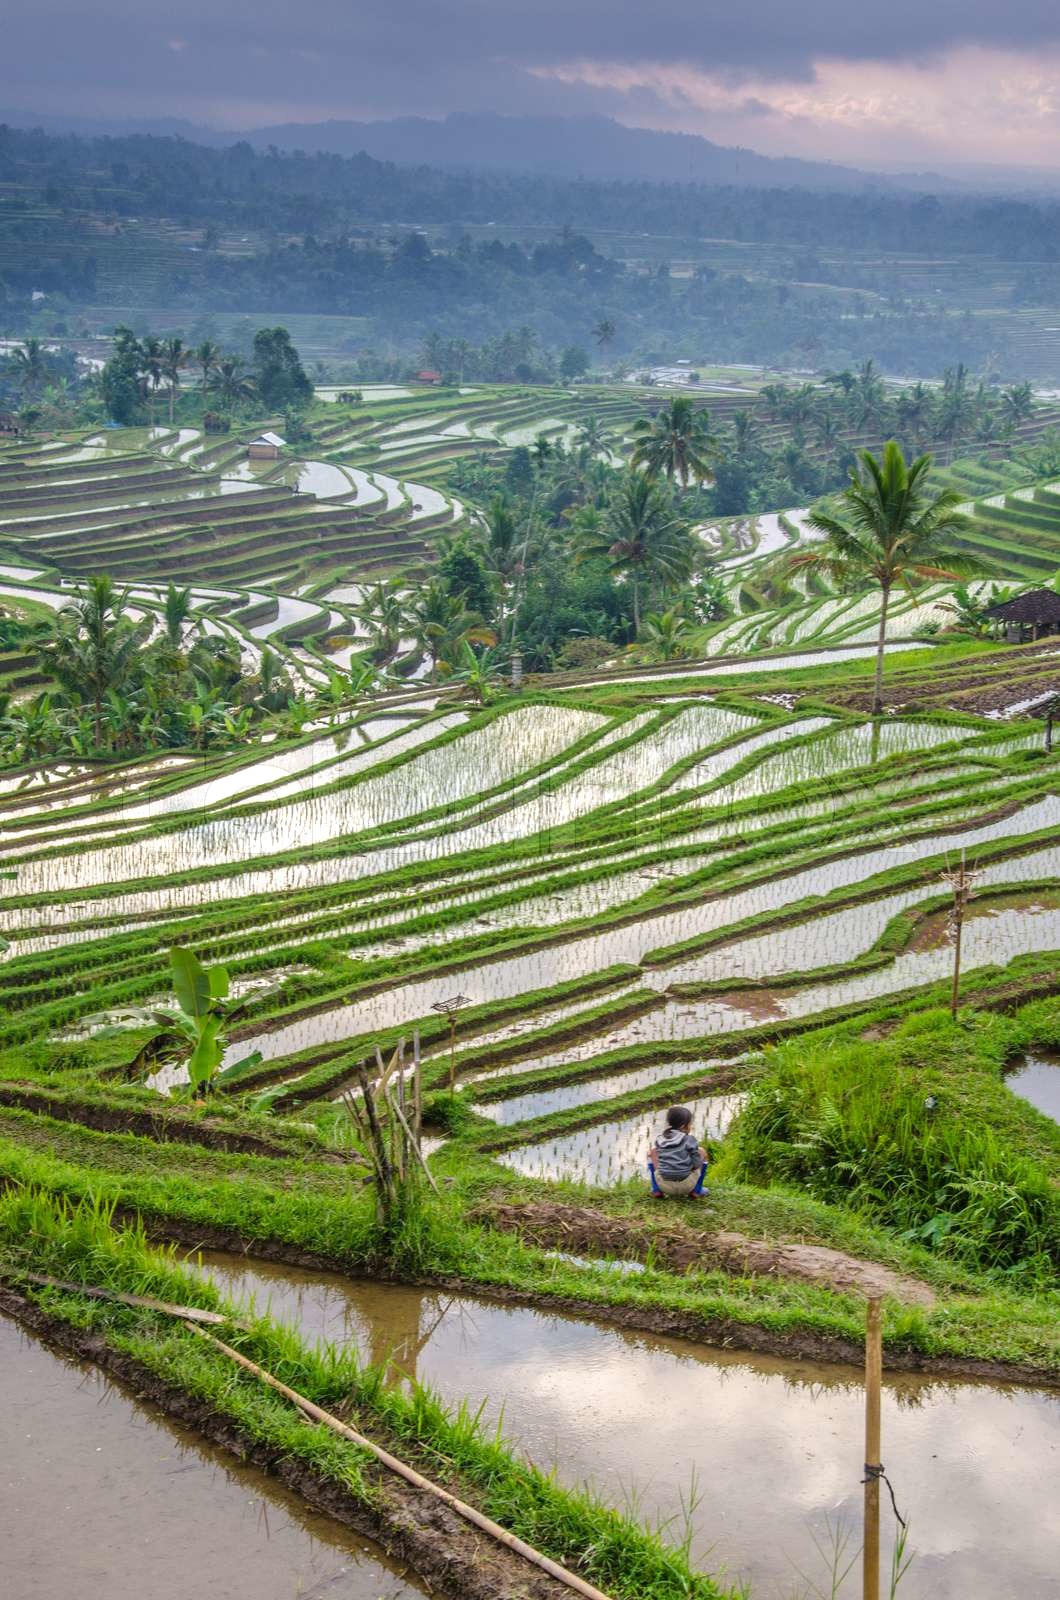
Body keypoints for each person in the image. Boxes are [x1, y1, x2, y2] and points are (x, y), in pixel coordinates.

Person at [648, 1105, 708, 1199]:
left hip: (664, 1185)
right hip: (687, 1186)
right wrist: (688, 1167)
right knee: (701, 1151)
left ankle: (656, 1190)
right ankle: (697, 1190)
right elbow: (696, 1164)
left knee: (652, 1151)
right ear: (684, 1126)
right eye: (690, 1123)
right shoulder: (689, 1140)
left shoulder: (660, 1139)